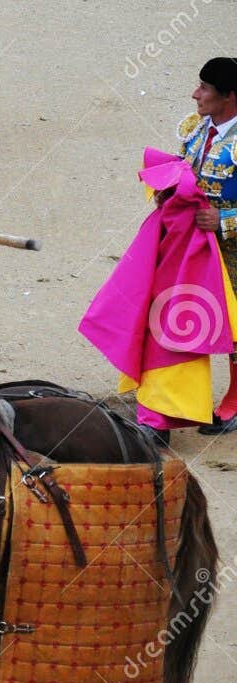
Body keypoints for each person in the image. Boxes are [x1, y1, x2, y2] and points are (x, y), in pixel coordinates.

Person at [179, 58, 237, 436]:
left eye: (205, 88)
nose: (196, 94)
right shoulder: (193, 127)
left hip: (234, 251)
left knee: (236, 324)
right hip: (195, 242)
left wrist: (226, 221)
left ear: (229, 97)